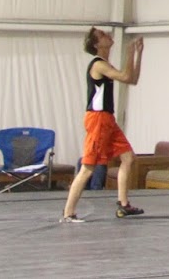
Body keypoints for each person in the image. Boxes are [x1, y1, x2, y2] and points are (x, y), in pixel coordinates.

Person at [60, 28, 145, 222]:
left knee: (128, 158)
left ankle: (123, 205)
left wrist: (137, 55)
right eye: (103, 35)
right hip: (98, 119)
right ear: (97, 44)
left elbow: (132, 79)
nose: (108, 35)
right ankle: (68, 212)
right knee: (88, 167)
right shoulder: (98, 65)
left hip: (107, 119)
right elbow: (125, 76)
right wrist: (130, 53)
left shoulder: (106, 64)